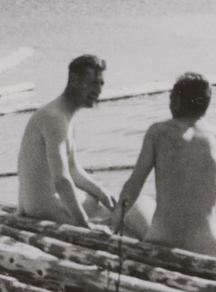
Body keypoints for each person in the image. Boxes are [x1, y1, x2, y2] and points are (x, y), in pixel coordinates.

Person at [111, 73, 216, 256]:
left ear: (177, 100)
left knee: (140, 202)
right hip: (205, 248)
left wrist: (110, 225)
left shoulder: (157, 132)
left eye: (171, 99)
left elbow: (134, 184)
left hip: (160, 241)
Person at [18, 55, 151, 235]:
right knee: (136, 209)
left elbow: (72, 168)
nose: (97, 90)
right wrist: (85, 225)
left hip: (42, 205)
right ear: (73, 80)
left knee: (125, 207)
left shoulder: (62, 115)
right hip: (45, 210)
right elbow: (62, 180)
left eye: (101, 84)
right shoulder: (55, 119)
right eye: (91, 83)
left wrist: (101, 192)